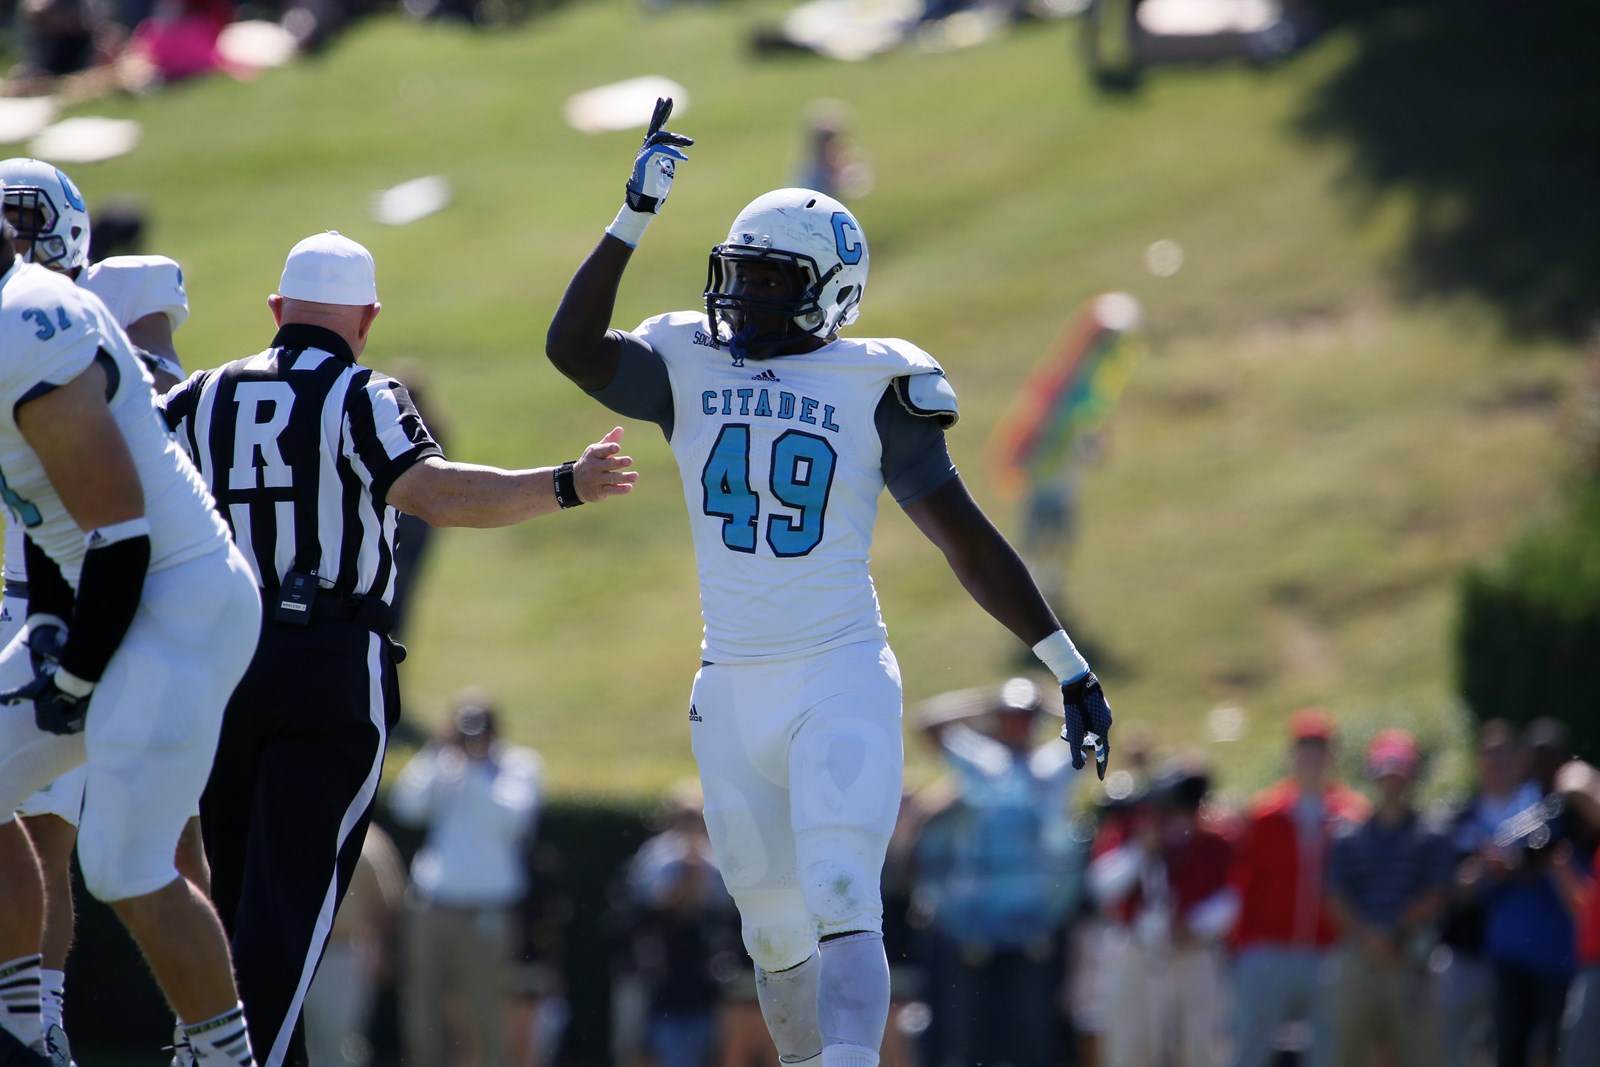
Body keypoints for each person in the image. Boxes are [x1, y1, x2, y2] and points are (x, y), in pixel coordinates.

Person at [544, 99, 1114, 1067]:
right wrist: (630, 216)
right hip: (728, 683)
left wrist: (1065, 661)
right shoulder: (688, 360)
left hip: (836, 669)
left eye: (773, 281)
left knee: (846, 894)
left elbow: (967, 542)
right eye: (740, 275)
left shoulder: (873, 387)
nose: (747, 299)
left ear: (832, 291)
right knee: (770, 934)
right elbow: (572, 348)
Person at [161, 230, 638, 1067]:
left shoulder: (202, 395)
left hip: (215, 663)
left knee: (232, 896)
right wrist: (567, 481)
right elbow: (435, 492)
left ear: (277, 311)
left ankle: (209, 1043)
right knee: (295, 909)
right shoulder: (363, 394)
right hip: (328, 665)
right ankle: (229, 1057)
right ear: (367, 319)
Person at [0, 193, 263, 1067]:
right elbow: (42, 504)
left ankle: (225, 1058)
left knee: (122, 859)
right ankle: (19, 1027)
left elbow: (117, 533)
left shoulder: (27, 329)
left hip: (172, 599)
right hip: (102, 592)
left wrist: (73, 674)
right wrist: (46, 622)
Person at [915, 678, 1083, 1067]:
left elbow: (1095, 723)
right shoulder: (982, 761)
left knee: (1032, 1031)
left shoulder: (1050, 768)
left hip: (1034, 921)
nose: (1017, 724)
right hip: (973, 921)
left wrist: (1047, 705)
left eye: (1024, 717)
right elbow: (929, 723)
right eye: (1010, 716)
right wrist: (987, 702)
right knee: (970, 1030)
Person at [389, 695, 543, 1067]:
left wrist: (474, 770)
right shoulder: (442, 763)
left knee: (487, 1009)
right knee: (423, 1005)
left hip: (486, 914)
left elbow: (511, 822)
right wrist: (438, 754)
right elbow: (405, 806)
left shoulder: (517, 767)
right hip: (433, 907)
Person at [1227, 708, 1369, 1067]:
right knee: (1252, 1047)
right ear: (1292, 754)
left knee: (1330, 1051)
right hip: (1269, 950)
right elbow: (1244, 882)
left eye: (1319, 749)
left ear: (1332, 755)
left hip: (1329, 952)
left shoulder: (1352, 815)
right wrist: (1246, 946)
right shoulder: (1265, 813)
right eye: (1304, 748)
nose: (1311, 758)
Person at [1088, 759, 1235, 1067]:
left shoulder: (1213, 839)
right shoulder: (1133, 830)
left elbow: (1233, 894)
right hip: (1138, 951)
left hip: (1194, 953)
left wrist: (1196, 925)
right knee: (1132, 1047)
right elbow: (1102, 885)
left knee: (1200, 1047)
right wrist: (1141, 851)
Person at [1324, 728, 1452, 1067]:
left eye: (1399, 774)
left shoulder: (1431, 832)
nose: (1392, 782)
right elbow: (1337, 896)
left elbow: (1437, 894)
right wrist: (1371, 937)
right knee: (1351, 1054)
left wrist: (1396, 931)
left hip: (1411, 959)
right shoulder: (1349, 835)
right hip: (1361, 959)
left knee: (1419, 1055)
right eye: (1385, 774)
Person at [1438, 719, 1542, 1067]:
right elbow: (1446, 887)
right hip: (1467, 951)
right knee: (1455, 1048)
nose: (1495, 763)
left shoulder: (1537, 812)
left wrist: (1513, 868)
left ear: (1517, 760)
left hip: (1522, 954)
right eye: (1488, 754)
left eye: (1503, 754)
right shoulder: (1459, 817)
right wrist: (1469, 879)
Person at [300, 822, 404, 1067]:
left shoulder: (368, 839)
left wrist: (386, 951)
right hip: (289, 955)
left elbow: (386, 907)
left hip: (341, 953)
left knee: (339, 1040)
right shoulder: (286, 824)